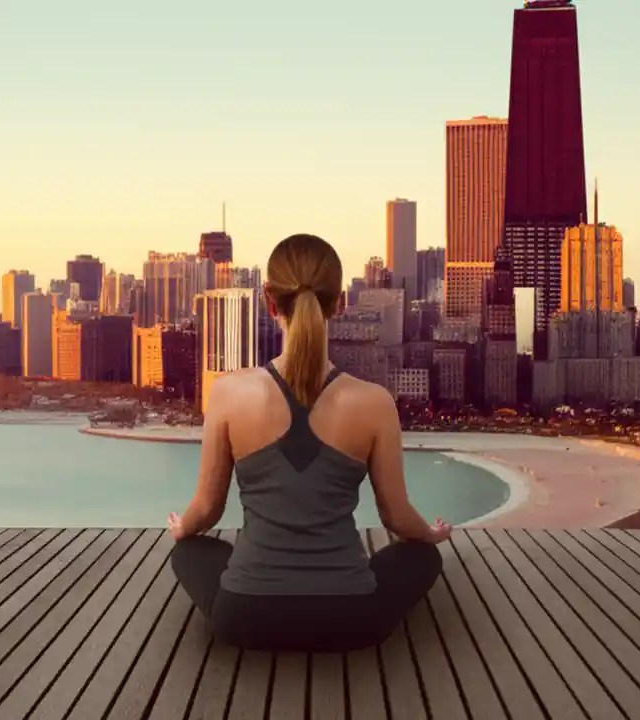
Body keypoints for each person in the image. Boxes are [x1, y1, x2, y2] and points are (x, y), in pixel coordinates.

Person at [168, 233, 450, 652]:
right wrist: (430, 533)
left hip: (245, 618)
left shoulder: (227, 393)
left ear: (269, 301)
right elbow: (396, 518)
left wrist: (181, 529)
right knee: (424, 557)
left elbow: (206, 511)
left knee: (188, 551)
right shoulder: (374, 402)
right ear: (340, 303)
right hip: (352, 619)